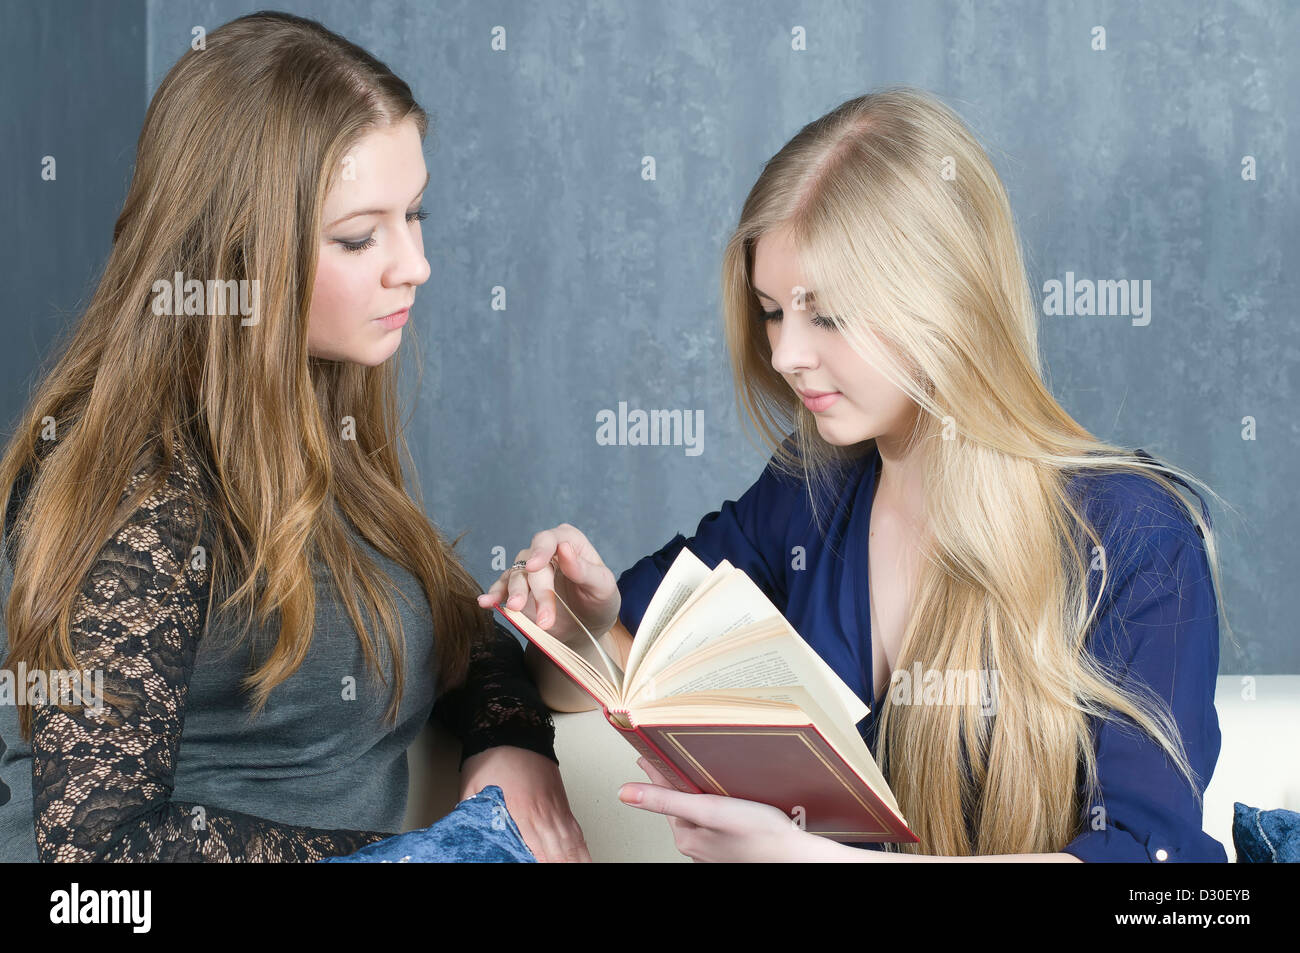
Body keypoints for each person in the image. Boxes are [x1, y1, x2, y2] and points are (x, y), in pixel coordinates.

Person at [479, 87, 1235, 863]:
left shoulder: (1135, 534)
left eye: (826, 316)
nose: (783, 355)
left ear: (947, 301)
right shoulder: (809, 493)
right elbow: (573, 680)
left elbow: (1152, 877)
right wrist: (585, 628)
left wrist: (811, 861)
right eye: (772, 311)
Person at [0, 11, 588, 863]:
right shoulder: (143, 486)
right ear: (240, 255)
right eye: (359, 236)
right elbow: (91, 852)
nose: (413, 263)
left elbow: (460, 632)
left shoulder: (322, 430)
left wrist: (514, 740)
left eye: (414, 214)